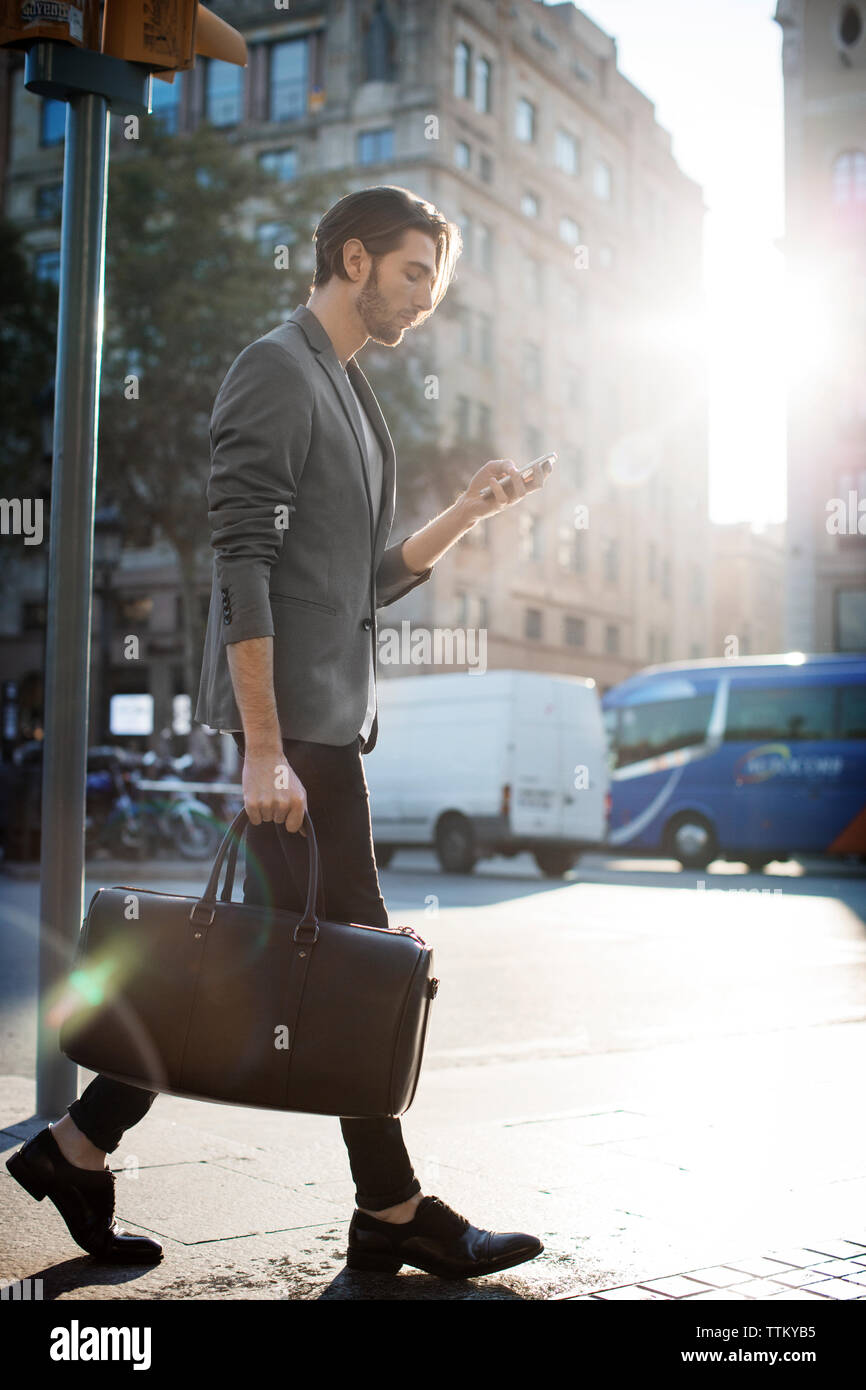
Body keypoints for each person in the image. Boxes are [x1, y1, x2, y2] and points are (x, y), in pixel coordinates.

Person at [7, 185, 552, 1281]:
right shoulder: (276, 367)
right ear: (351, 259)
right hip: (291, 736)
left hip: (324, 727)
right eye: (411, 274)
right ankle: (391, 1209)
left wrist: (464, 514)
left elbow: (359, 585)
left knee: (255, 962)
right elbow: (239, 562)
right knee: (354, 956)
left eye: (432, 284)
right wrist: (261, 748)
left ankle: (80, 1142)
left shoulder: (351, 393)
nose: (423, 300)